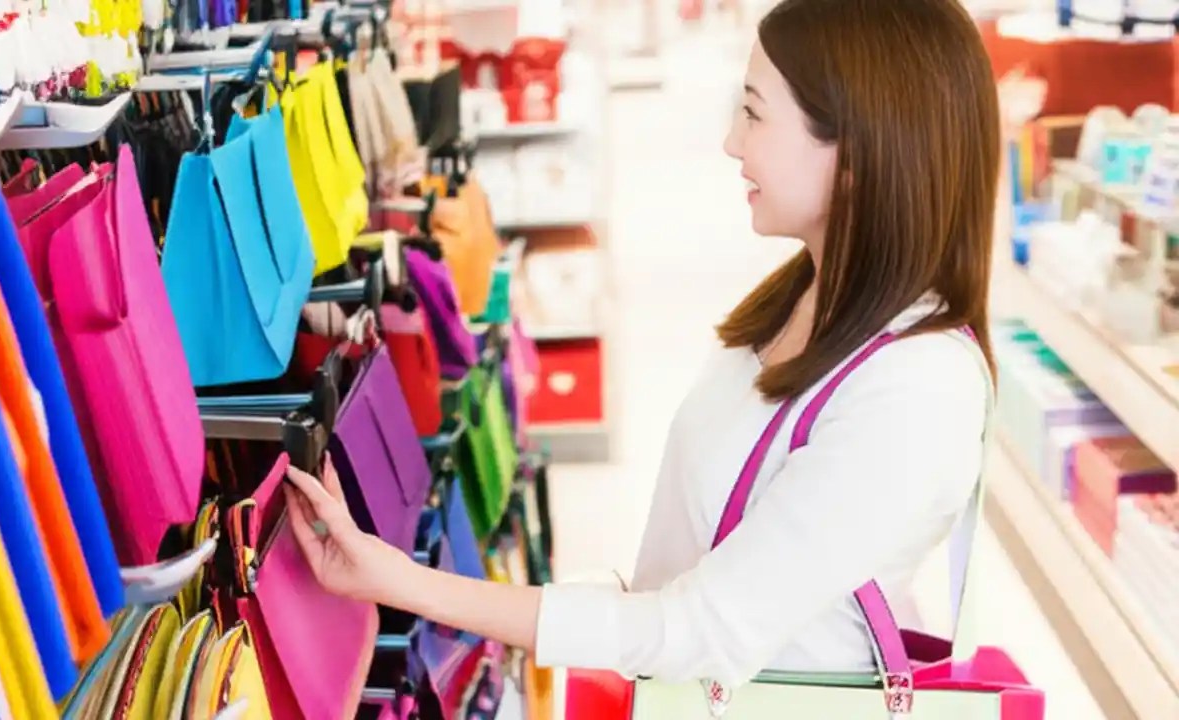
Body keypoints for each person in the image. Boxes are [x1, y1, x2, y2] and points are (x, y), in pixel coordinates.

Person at [284, 0, 1001, 690]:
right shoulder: (806, 302)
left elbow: (698, 631)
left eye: (753, 113)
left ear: (856, 152)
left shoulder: (918, 388)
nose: (730, 142)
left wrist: (402, 583)